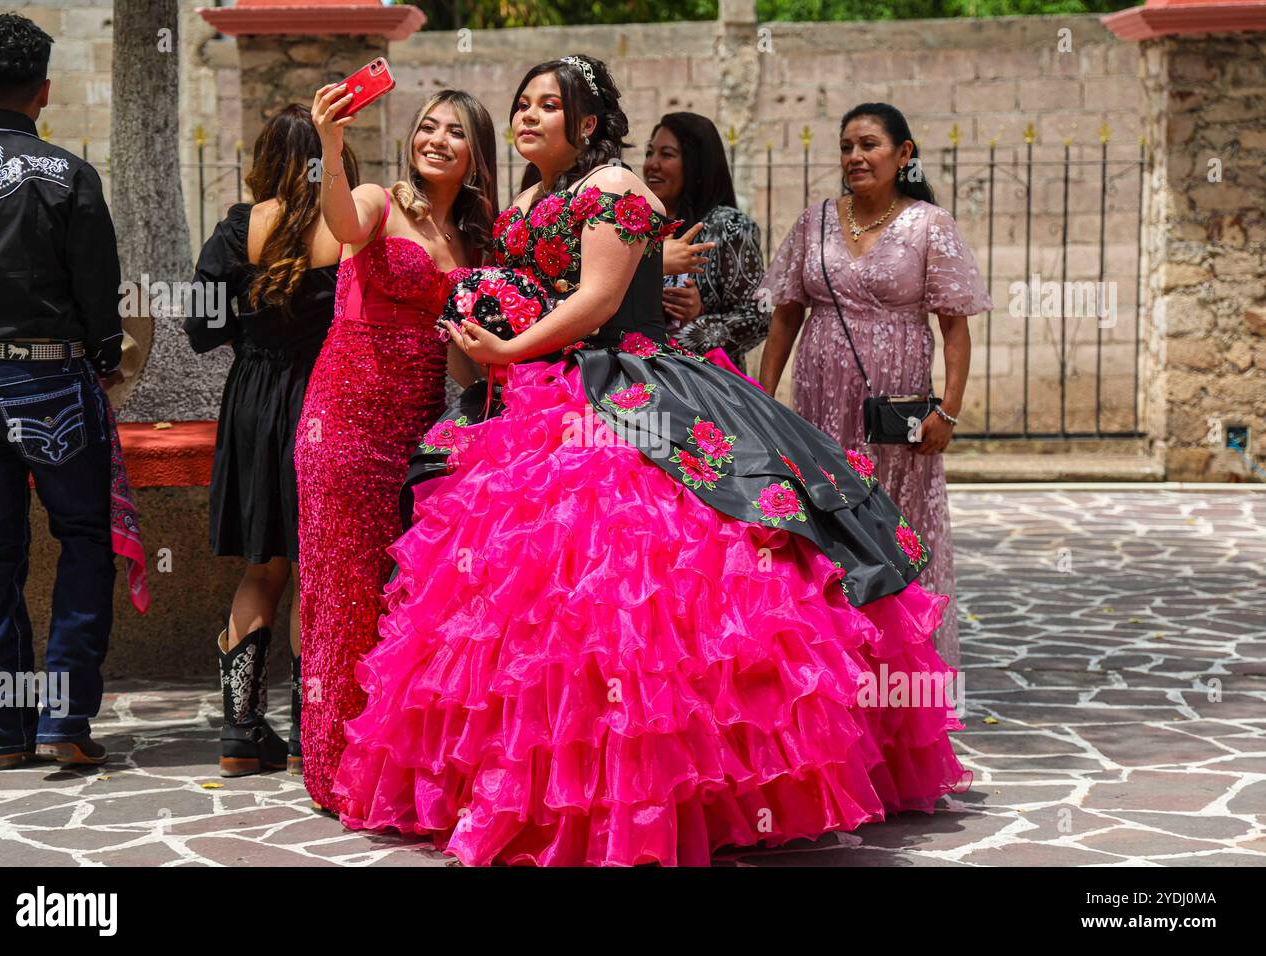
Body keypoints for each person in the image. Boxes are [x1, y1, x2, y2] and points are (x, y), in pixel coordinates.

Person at [329, 55, 971, 867]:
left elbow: (596, 301)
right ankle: (526, 781)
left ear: (588, 124)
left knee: (654, 586)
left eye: (547, 107)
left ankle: (686, 786)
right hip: (536, 391)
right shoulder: (529, 199)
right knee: (526, 601)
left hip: (626, 386)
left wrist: (507, 345)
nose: (526, 118)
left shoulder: (617, 192)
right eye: (522, 105)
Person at [295, 86, 497, 812]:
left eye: (455, 132)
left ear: (477, 153)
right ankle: (332, 768)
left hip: (420, 426)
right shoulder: (381, 201)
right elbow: (339, 220)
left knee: (398, 596)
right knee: (343, 590)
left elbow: (474, 347)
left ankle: (383, 758)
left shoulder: (478, 239)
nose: (435, 139)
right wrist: (330, 147)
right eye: (427, 127)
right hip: (343, 420)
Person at [757, 103, 992, 669]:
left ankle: (902, 663)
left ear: (904, 154)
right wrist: (764, 403)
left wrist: (950, 412)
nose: (855, 157)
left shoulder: (930, 226)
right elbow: (786, 314)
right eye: (846, 147)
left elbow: (954, 328)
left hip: (895, 411)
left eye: (869, 145)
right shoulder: (814, 221)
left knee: (896, 519)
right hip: (817, 402)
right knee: (822, 519)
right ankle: (831, 662)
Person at [0, 13, 123, 769]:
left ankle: (2, 733)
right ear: (45, 93)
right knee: (84, 539)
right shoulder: (68, 175)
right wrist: (106, 354)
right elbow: (100, 293)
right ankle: (63, 720)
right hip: (49, 377)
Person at [185, 105, 359, 778]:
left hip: (253, 403)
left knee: (263, 567)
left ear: (264, 158)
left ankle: (239, 731)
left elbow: (201, 328)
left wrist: (252, 326)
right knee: (315, 568)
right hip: (322, 400)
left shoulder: (238, 226)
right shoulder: (345, 230)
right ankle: (305, 732)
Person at [644, 111, 767, 374]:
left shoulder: (730, 227)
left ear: (696, 165)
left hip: (707, 381)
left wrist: (698, 316)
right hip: (639, 375)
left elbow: (758, 316)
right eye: (649, 153)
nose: (652, 164)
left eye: (666, 155)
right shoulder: (638, 226)